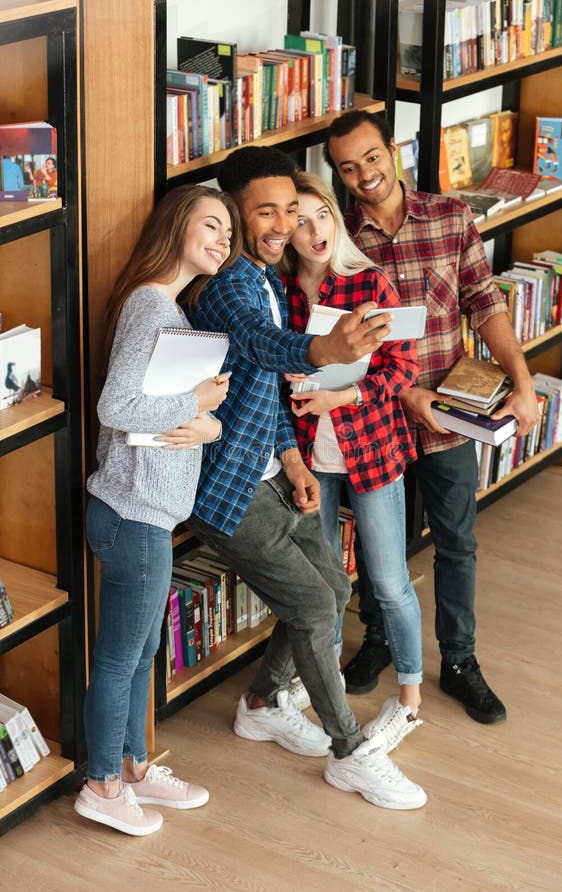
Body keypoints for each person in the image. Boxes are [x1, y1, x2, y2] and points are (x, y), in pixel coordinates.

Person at [186, 145, 427, 810]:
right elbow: (267, 347)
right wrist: (327, 350)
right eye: (266, 210)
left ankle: (263, 702)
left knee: (334, 582)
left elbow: (265, 386)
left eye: (290, 211)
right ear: (233, 212)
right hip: (228, 485)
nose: (282, 224)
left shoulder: (267, 276)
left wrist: (293, 459)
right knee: (316, 605)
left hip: (271, 468)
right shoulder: (235, 283)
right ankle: (350, 752)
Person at [324, 110, 540, 725]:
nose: (364, 173)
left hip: (449, 420)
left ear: (391, 150)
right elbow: (337, 342)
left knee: (456, 542)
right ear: (338, 176)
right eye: (348, 166)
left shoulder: (449, 215)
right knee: (375, 543)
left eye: (371, 156)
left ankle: (462, 662)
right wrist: (404, 395)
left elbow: (485, 301)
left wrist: (522, 383)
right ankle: (378, 642)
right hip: (378, 419)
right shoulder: (340, 239)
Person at [75, 184, 242, 836]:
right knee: (122, 658)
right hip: (132, 513)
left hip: (152, 512)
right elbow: (114, 410)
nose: (223, 239)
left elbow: (170, 412)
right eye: (211, 224)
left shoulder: (169, 307)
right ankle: (102, 784)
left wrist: (208, 423)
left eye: (228, 232)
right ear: (175, 228)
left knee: (142, 651)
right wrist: (194, 406)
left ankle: (135, 766)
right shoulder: (150, 306)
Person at [279, 169, 424, 751]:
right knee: (326, 582)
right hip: (310, 455)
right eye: (300, 220)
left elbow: (403, 368)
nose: (314, 231)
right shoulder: (281, 291)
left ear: (337, 219)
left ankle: (409, 698)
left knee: (387, 580)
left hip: (370, 450)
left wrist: (345, 395)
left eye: (322, 217)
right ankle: (326, 689)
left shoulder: (370, 283)